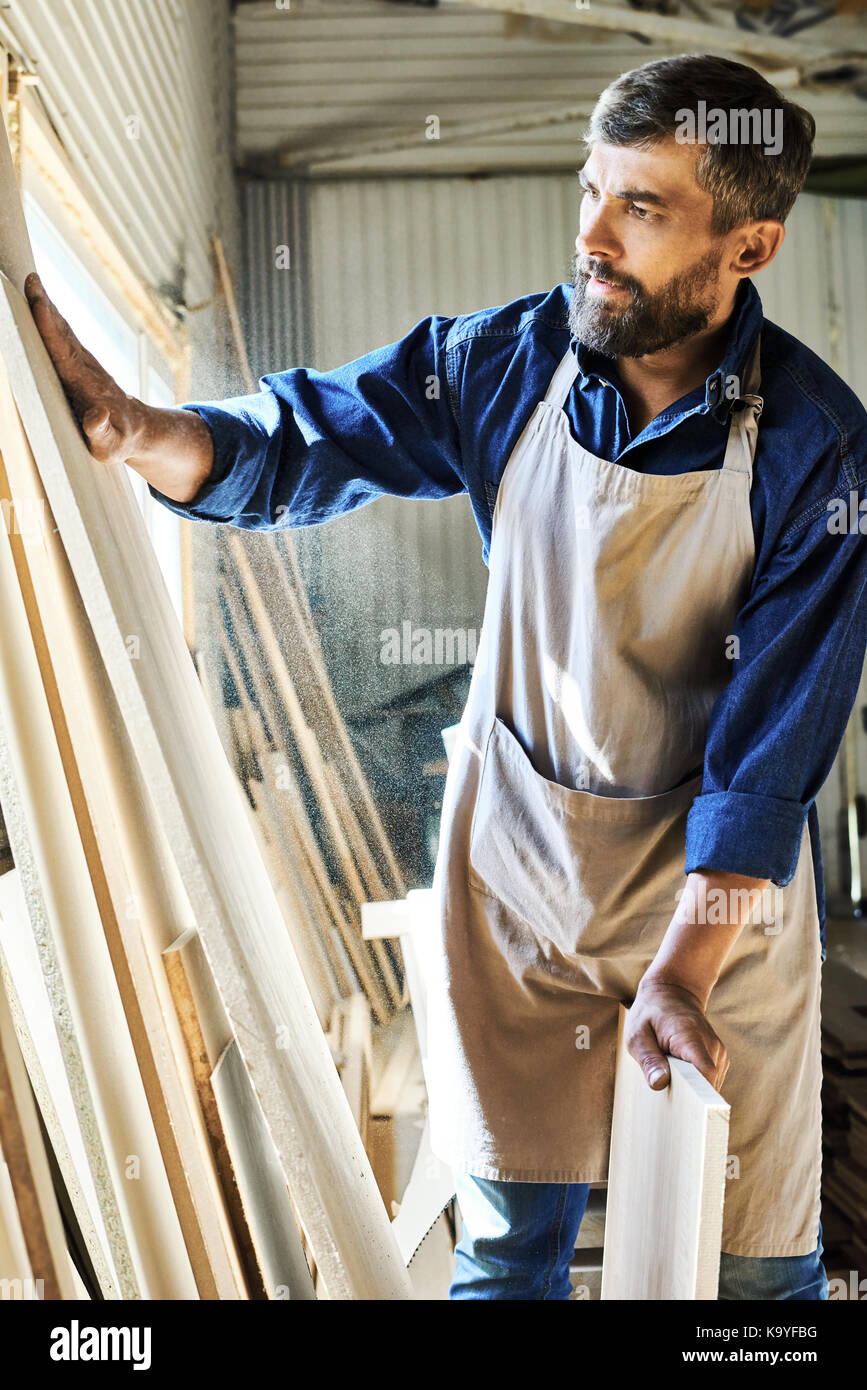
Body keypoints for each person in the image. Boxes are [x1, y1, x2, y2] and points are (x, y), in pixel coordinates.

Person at [28, 53, 867, 1301]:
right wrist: (143, 428)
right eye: (591, 188)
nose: (589, 233)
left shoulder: (818, 449)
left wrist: (680, 978)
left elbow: (768, 759)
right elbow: (309, 437)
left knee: (755, 1281)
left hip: (718, 918)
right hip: (523, 888)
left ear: (749, 247)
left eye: (640, 207)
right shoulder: (503, 365)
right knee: (507, 1261)